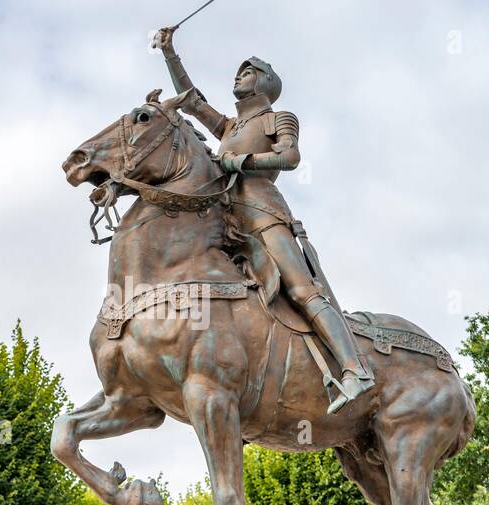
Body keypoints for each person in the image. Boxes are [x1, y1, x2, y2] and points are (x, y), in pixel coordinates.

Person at [154, 26, 375, 412]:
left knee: (302, 289)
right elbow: (192, 101)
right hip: (226, 221)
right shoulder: (230, 126)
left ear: (265, 82)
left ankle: (356, 370)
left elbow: (291, 159)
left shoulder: (278, 119)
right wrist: (170, 53)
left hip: (263, 214)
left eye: (248, 71)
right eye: (239, 72)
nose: (239, 76)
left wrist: (241, 162)